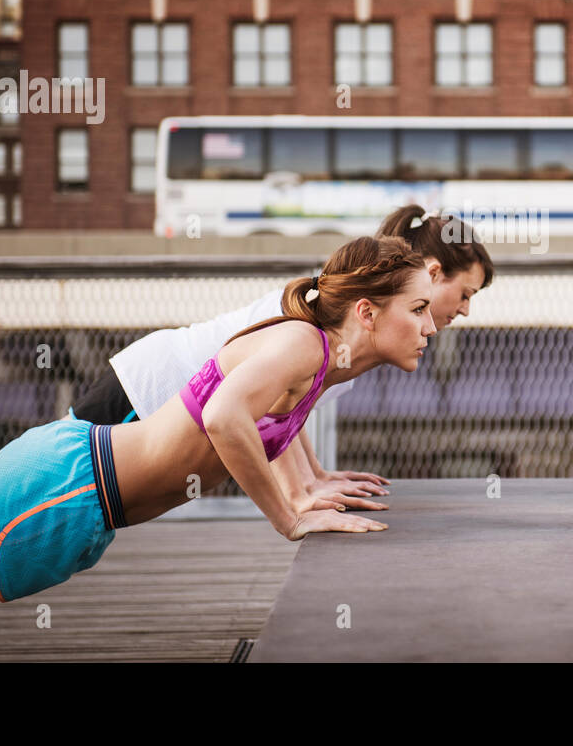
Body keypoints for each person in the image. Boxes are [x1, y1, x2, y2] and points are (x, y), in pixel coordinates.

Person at [0, 236, 433, 630]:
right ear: (366, 312)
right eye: (420, 309)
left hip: (86, 506)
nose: (432, 325)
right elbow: (225, 418)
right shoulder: (302, 344)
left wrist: (312, 487)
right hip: (62, 483)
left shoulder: (324, 359)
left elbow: (264, 426)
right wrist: (290, 518)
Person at [70, 204, 495, 515]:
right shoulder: (324, 325)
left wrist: (315, 476)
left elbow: (285, 403)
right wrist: (294, 498)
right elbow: (258, 402)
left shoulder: (358, 325)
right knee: (52, 501)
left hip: (163, 406)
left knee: (58, 528)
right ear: (435, 273)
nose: (464, 310)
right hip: (146, 393)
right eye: (465, 295)